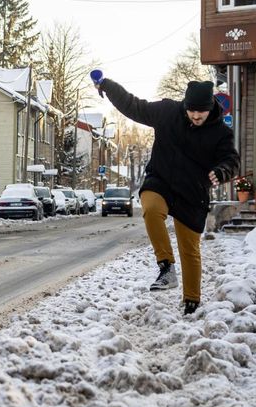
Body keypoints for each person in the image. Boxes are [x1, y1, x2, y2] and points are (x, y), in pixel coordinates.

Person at [94, 73, 239, 315]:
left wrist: (221, 171)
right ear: (185, 106)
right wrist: (107, 86)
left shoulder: (220, 133)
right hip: (160, 181)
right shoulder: (167, 112)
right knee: (150, 209)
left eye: (200, 112)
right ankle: (166, 266)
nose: (195, 116)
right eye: (191, 111)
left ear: (210, 107)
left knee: (190, 249)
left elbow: (231, 160)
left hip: (192, 192)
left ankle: (191, 302)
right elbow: (134, 105)